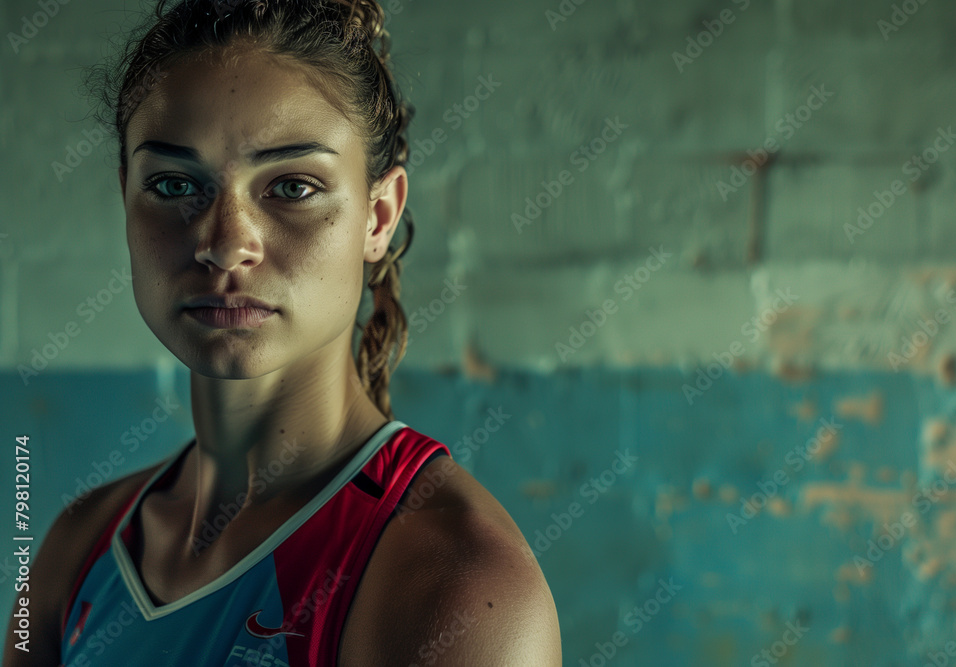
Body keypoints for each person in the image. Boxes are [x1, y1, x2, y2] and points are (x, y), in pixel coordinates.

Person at [2, 0, 562, 664]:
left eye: (292, 187)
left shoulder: (456, 581)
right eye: (176, 183)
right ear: (126, 194)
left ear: (378, 216)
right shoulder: (79, 544)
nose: (225, 243)